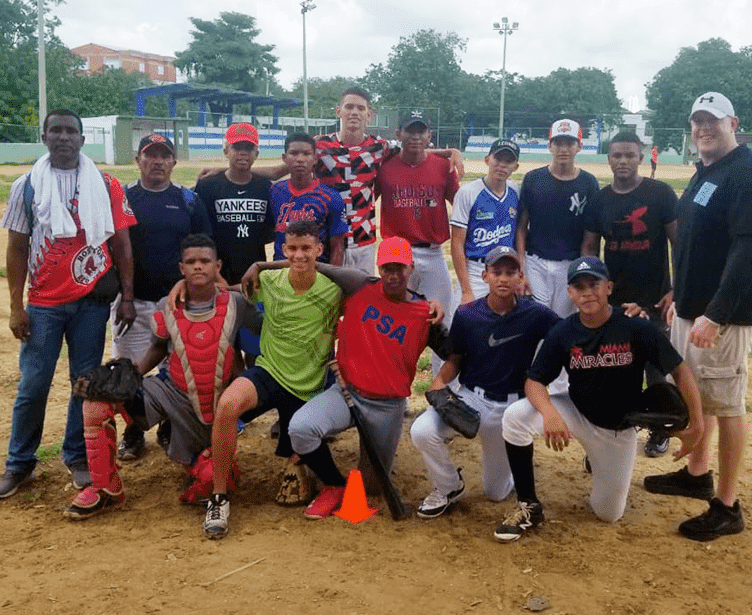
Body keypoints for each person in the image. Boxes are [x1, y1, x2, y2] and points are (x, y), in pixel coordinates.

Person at [643, 92, 752, 541]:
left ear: (733, 122)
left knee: (726, 407)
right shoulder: (706, 170)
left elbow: (748, 251)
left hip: (723, 317)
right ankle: (696, 475)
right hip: (691, 309)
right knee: (696, 396)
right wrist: (681, 295)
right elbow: (694, 241)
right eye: (697, 121)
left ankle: (726, 505)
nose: (703, 128)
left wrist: (715, 314)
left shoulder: (750, 175)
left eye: (713, 121)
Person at [493, 256, 704, 542]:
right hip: (576, 412)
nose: (587, 292)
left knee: (608, 513)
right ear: (570, 293)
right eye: (578, 287)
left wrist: (697, 425)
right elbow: (534, 381)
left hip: (616, 428)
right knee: (515, 417)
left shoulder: (635, 326)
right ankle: (529, 505)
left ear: (609, 288)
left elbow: (679, 369)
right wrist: (550, 414)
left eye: (594, 284)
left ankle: (597, 460)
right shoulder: (564, 332)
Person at [63, 234, 260, 519]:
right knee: (96, 404)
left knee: (212, 481)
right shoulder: (167, 305)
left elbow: (269, 314)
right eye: (190, 262)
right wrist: (132, 375)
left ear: (217, 265)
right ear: (181, 268)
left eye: (205, 261)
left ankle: (187, 446)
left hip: (213, 406)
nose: (198, 267)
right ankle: (105, 489)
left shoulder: (237, 304)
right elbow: (157, 346)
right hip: (170, 392)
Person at [0, 109, 136, 498]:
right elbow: (17, 248)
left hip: (91, 303)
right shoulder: (26, 186)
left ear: (81, 138)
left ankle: (78, 457)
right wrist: (16, 305)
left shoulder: (106, 184)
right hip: (43, 304)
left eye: (71, 131)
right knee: (33, 385)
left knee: (86, 384)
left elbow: (122, 246)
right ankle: (20, 464)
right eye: (55, 130)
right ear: (44, 136)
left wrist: (127, 297)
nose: (63, 137)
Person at [288, 237, 450, 519]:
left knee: (372, 488)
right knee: (301, 430)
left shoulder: (425, 314)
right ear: (379, 267)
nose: (393, 275)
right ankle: (334, 484)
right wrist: (259, 264)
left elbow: (456, 353)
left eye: (400, 268)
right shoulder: (359, 285)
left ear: (411, 268)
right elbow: (310, 264)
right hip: (346, 393)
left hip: (387, 407)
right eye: (387, 268)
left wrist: (440, 381)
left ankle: (366, 470)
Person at [202, 220, 343, 539]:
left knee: (300, 454)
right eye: (292, 248)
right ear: (283, 249)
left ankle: (319, 475)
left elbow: (374, 289)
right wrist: (187, 287)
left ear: (319, 250)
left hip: (308, 386)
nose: (299, 255)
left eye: (307, 248)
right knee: (226, 405)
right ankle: (219, 498)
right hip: (268, 371)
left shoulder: (334, 287)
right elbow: (225, 295)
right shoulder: (269, 281)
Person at [411, 247, 560, 519]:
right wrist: (439, 381)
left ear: (520, 278)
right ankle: (448, 486)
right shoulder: (468, 315)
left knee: (495, 493)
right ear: (485, 276)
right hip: (471, 398)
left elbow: (569, 333)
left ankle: (512, 470)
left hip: (510, 409)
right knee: (422, 430)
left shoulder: (536, 314)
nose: (503, 278)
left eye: (510, 272)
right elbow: (455, 358)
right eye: (497, 272)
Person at [114, 134, 212, 461]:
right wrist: (124, 297)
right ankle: (133, 429)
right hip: (133, 301)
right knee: (130, 369)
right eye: (150, 155)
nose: (157, 162)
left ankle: (170, 423)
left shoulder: (187, 200)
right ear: (138, 160)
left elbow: (202, 246)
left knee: (177, 370)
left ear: (173, 161)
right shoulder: (124, 197)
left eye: (164, 155)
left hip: (177, 303)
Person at [581, 131, 678, 458]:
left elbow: (680, 245)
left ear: (642, 156)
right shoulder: (600, 200)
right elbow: (590, 248)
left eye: (629, 155)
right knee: (613, 367)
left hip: (655, 298)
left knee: (655, 369)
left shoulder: (660, 193)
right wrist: (593, 293)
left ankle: (659, 428)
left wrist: (676, 290)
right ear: (608, 158)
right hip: (615, 300)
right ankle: (608, 432)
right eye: (617, 155)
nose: (623, 161)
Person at [314, 88, 464, 275]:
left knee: (361, 299)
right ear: (339, 111)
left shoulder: (379, 147)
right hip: (326, 239)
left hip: (363, 242)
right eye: (349, 107)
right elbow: (287, 165)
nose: (354, 112)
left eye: (360, 108)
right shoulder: (318, 146)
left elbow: (414, 148)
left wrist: (451, 152)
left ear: (369, 115)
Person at [377, 111, 459, 374]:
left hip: (433, 252)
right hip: (397, 255)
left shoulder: (441, 166)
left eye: (420, 131)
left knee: (441, 323)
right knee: (393, 324)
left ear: (429, 136)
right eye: (410, 131)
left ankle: (443, 390)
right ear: (399, 134)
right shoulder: (385, 168)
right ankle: (390, 385)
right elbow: (365, 200)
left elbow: (460, 206)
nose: (415, 136)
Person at [516, 119, 599, 318]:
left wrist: (585, 271)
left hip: (569, 263)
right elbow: (521, 227)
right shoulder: (534, 178)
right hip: (535, 261)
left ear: (579, 146)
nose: (564, 149)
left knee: (562, 322)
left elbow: (591, 236)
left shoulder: (588, 183)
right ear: (549, 146)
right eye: (558, 143)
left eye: (569, 143)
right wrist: (521, 266)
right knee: (535, 321)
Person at [194, 123, 285, 286]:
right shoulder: (208, 186)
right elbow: (200, 233)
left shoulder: (265, 188)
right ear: (226, 151)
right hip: (216, 274)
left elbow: (269, 231)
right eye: (237, 147)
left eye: (248, 148)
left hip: (254, 272)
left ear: (256, 153)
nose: (243, 152)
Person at [450, 139, 521, 305]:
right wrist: (466, 290)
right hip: (475, 270)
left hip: (505, 270)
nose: (502, 165)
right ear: (487, 160)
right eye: (498, 159)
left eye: (509, 161)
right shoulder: (468, 192)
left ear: (515, 167)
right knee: (461, 322)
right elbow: (457, 244)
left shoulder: (516, 192)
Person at [269, 133, 347, 265]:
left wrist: (333, 279)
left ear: (315, 158)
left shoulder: (331, 197)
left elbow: (338, 245)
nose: (300, 159)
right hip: (281, 271)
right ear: (284, 158)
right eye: (294, 153)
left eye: (306, 154)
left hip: (316, 273)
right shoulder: (275, 191)